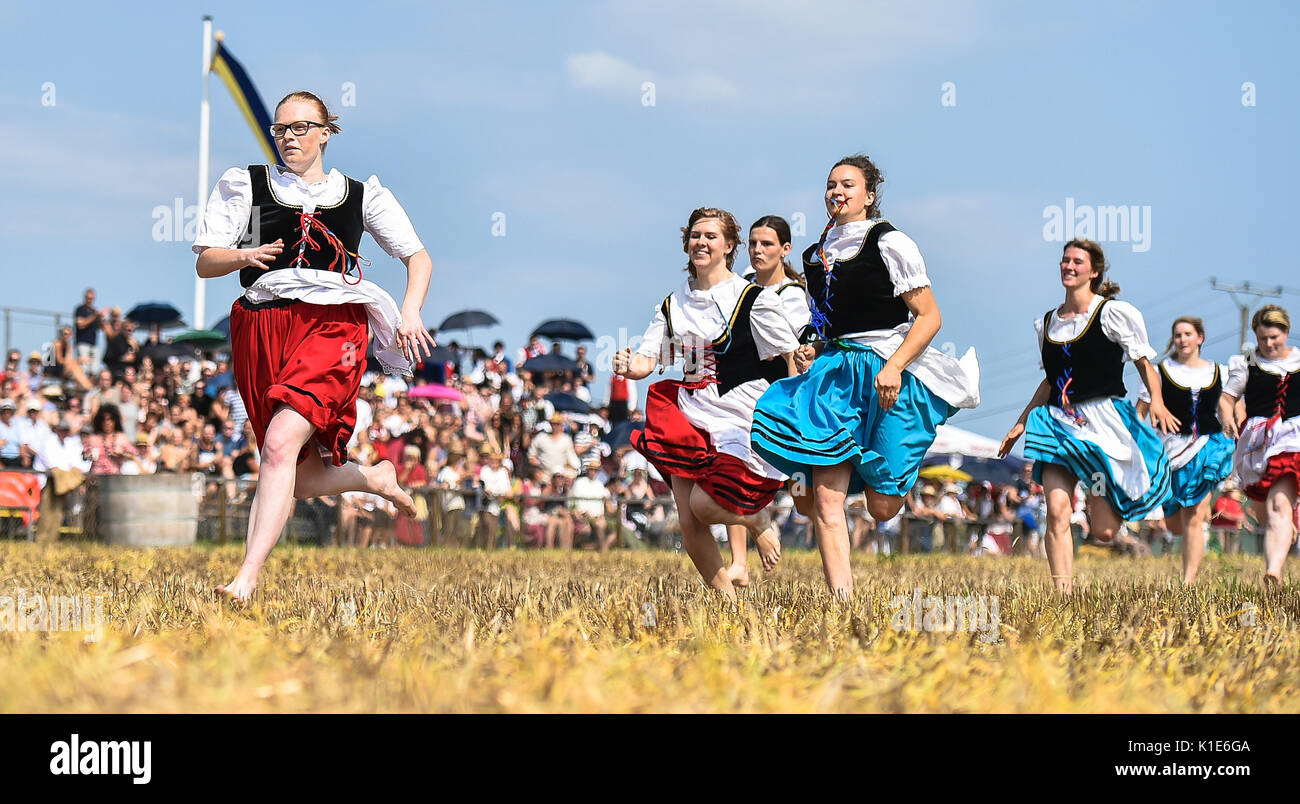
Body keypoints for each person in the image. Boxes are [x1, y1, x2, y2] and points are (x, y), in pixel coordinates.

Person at [193, 90, 435, 602]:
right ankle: (374, 478)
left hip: (333, 327)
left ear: (327, 132)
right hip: (261, 326)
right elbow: (205, 261)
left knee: (280, 443)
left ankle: (246, 578)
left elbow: (418, 258)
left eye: (301, 128)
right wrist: (243, 255)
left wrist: (409, 311)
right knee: (299, 477)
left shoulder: (360, 195)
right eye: (281, 129)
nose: (289, 138)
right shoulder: (248, 185)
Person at [751, 155, 981, 598]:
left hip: (891, 367)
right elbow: (832, 325)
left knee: (881, 507)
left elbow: (930, 317)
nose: (837, 192)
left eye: (848, 185)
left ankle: (901, 461)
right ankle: (843, 602)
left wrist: (894, 366)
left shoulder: (890, 242)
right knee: (822, 497)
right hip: (837, 373)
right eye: (831, 185)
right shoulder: (814, 257)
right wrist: (814, 346)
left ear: (869, 196)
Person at [615, 207, 799, 599]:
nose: (701, 241)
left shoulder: (753, 298)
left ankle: (757, 518)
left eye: (711, 236)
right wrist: (631, 366)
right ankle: (728, 605)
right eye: (695, 235)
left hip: (738, 412)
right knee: (688, 520)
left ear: (729, 246)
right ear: (686, 244)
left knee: (704, 504)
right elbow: (652, 358)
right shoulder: (674, 304)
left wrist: (799, 381)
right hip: (689, 411)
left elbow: (788, 357)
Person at [999, 239, 1176, 594]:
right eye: (1065, 260)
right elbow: (1052, 380)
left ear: (1093, 272)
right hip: (1057, 423)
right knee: (1057, 510)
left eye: (1077, 261)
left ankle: (1109, 503)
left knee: (1104, 530)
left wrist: (1156, 400)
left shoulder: (1113, 314)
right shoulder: (1046, 323)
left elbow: (1144, 362)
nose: (1069, 266)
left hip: (1102, 423)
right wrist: (1021, 422)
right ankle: (1062, 594)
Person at [725, 215, 813, 585]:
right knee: (732, 465)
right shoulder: (742, 285)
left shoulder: (791, 296)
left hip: (779, 395)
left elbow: (789, 353)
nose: (758, 250)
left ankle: (827, 559)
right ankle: (739, 562)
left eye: (767, 244)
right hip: (741, 392)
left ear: (785, 250)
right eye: (754, 244)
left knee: (802, 493)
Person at [1135, 316, 1235, 584]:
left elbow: (1228, 406)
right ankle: (1175, 521)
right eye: (1178, 335)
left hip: (1205, 447)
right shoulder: (1160, 373)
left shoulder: (1220, 372)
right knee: (1174, 525)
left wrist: (1231, 424)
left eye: (1188, 334)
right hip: (1169, 452)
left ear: (1200, 337)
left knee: (1194, 516)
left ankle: (1187, 581)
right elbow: (1140, 413)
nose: (1183, 339)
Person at [1218, 304, 1300, 588]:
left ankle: (1273, 573)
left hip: (1293, 436)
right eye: (1263, 338)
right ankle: (1286, 529)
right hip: (1257, 443)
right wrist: (1227, 419)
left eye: (1275, 337)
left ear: (1286, 333)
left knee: (1279, 501)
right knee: (1266, 513)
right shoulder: (1247, 365)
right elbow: (1226, 400)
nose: (1269, 344)